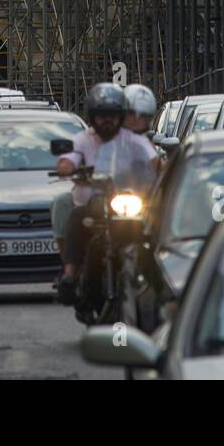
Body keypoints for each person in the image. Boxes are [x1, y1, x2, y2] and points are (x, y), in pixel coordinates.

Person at [55, 82, 159, 305]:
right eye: (101, 115)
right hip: (94, 204)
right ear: (92, 117)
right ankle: (70, 274)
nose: (106, 120)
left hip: (125, 204)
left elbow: (154, 162)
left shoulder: (133, 140)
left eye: (112, 115)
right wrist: (66, 166)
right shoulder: (83, 139)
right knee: (77, 217)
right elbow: (69, 158)